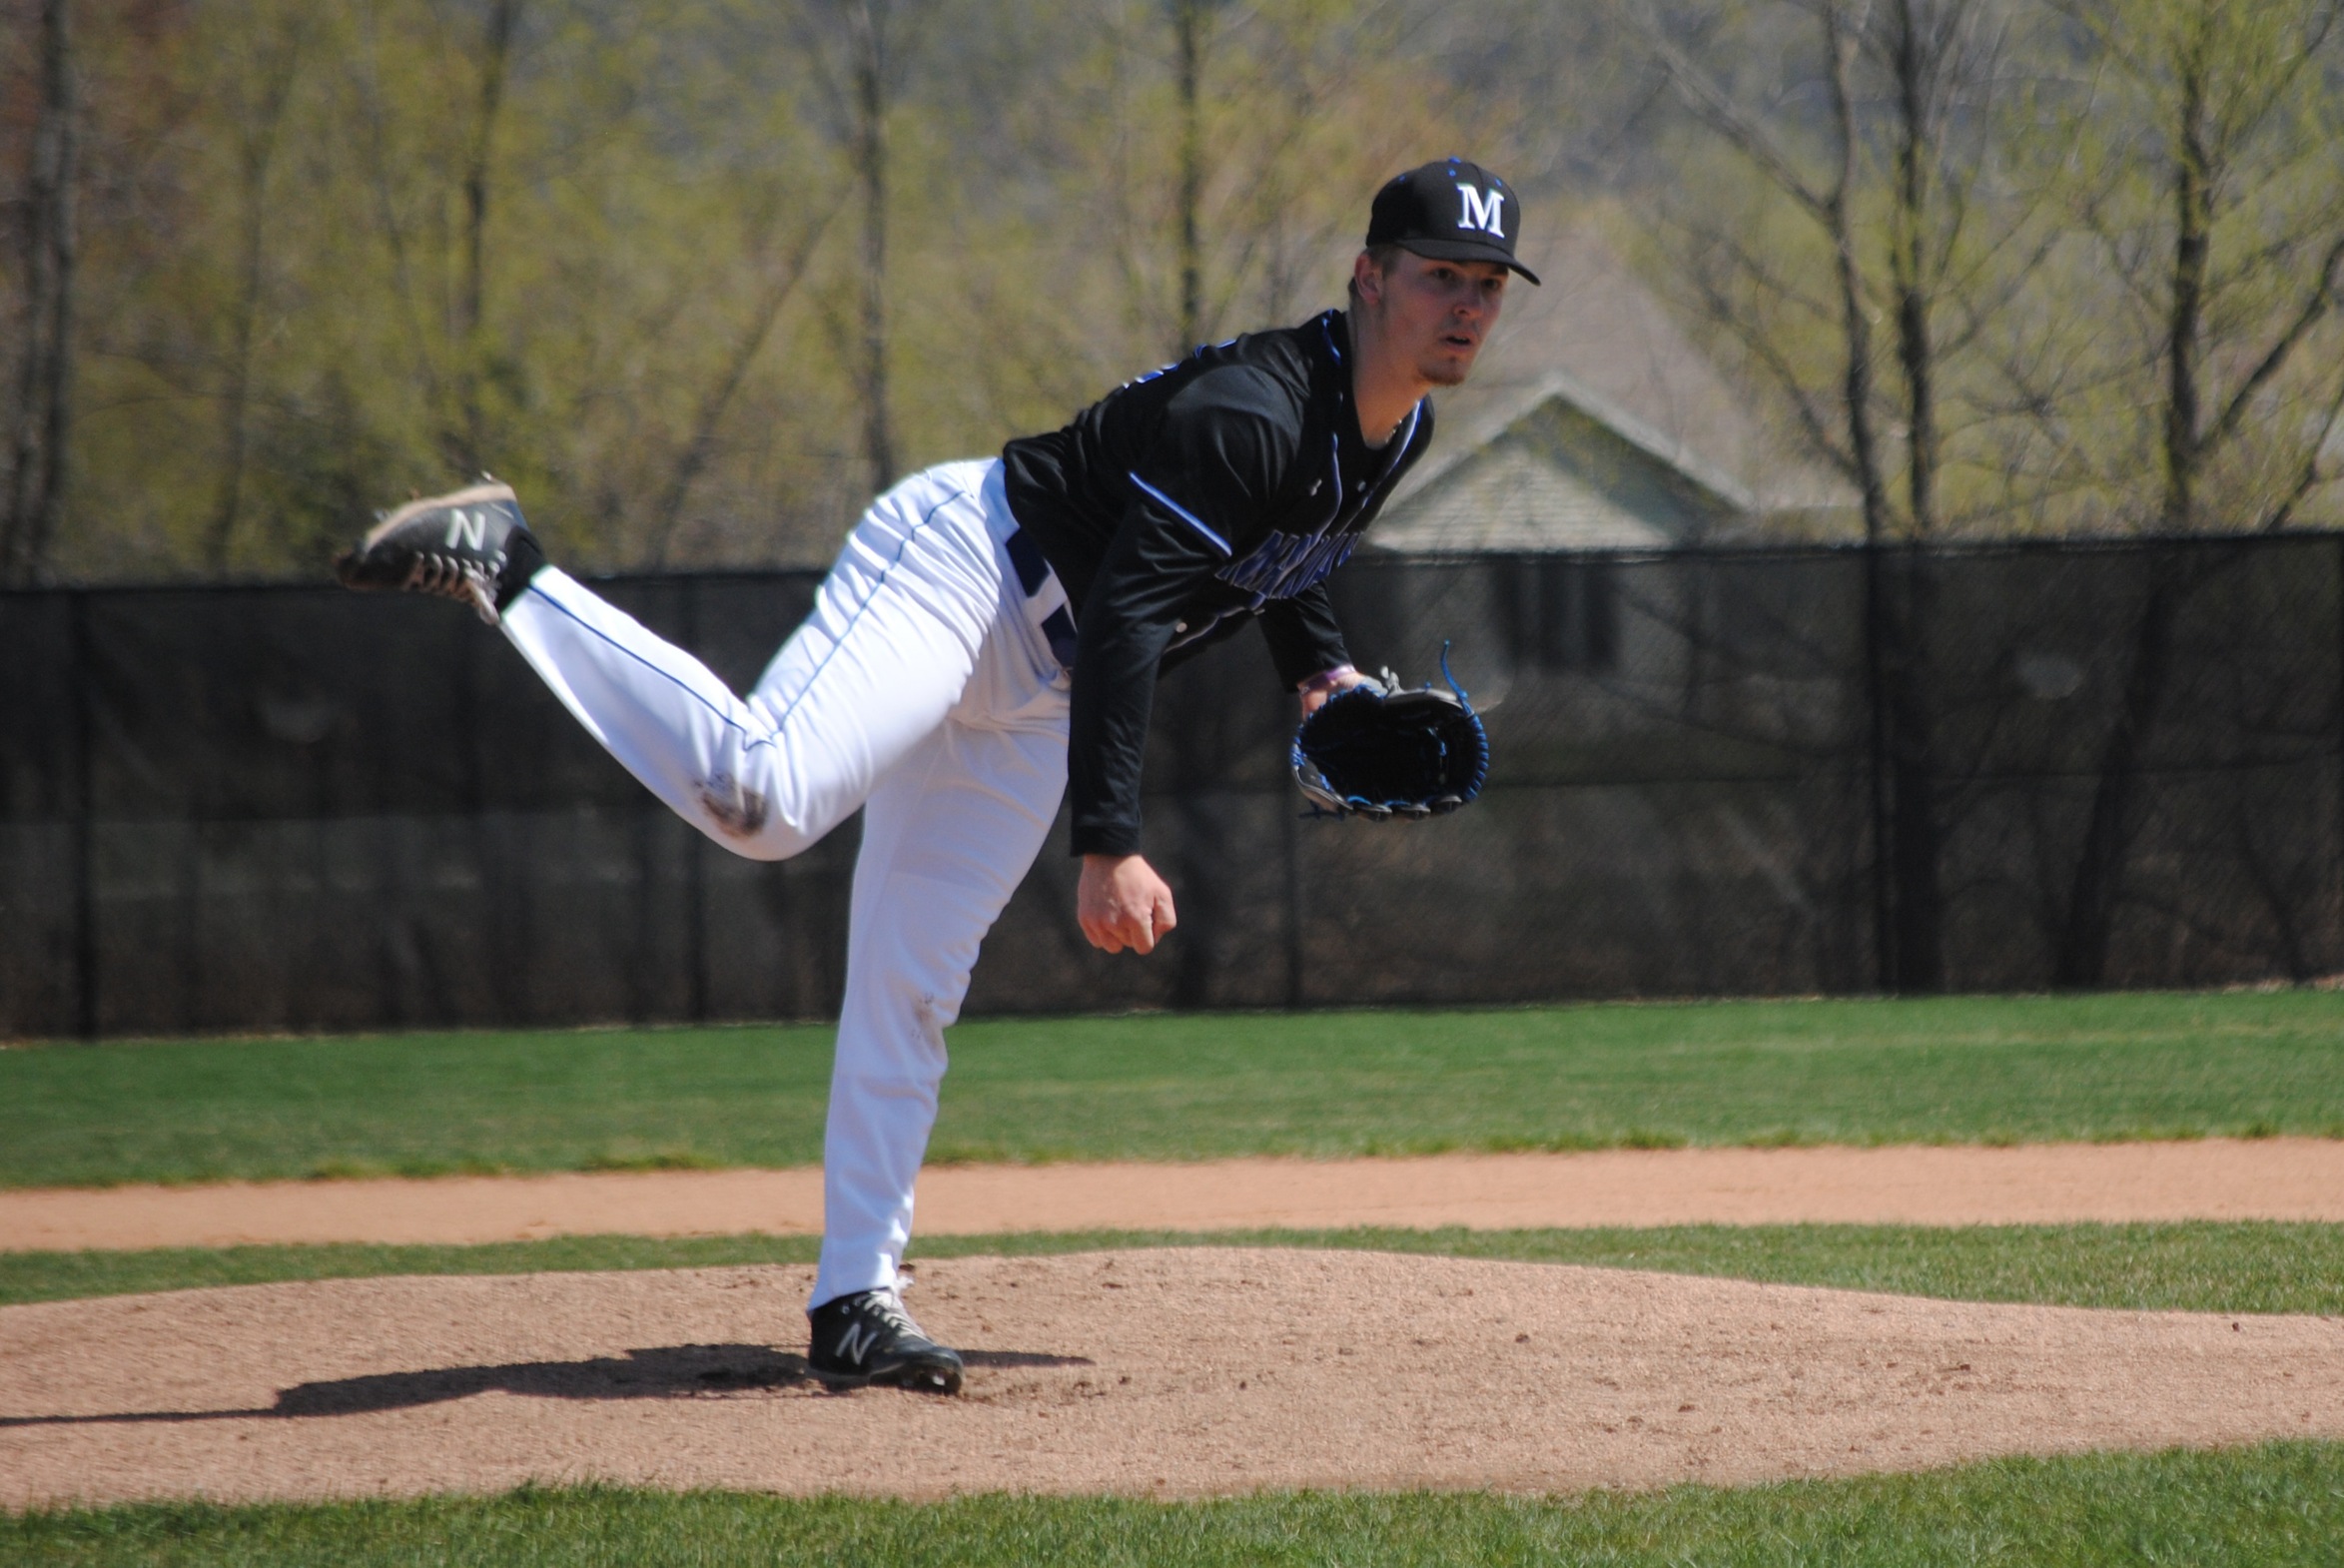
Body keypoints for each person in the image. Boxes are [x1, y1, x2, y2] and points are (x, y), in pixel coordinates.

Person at [336, 158, 1536, 1393]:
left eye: (1486, 283)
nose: (1464, 303)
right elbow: (1130, 611)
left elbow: (1290, 547)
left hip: (1037, 691)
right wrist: (1107, 840)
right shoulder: (1255, 409)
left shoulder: (1393, 425)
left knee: (914, 980)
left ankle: (855, 1296)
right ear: (1368, 275)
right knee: (765, 799)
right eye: (1440, 274)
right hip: (964, 570)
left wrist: (1322, 677)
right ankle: (508, 567)